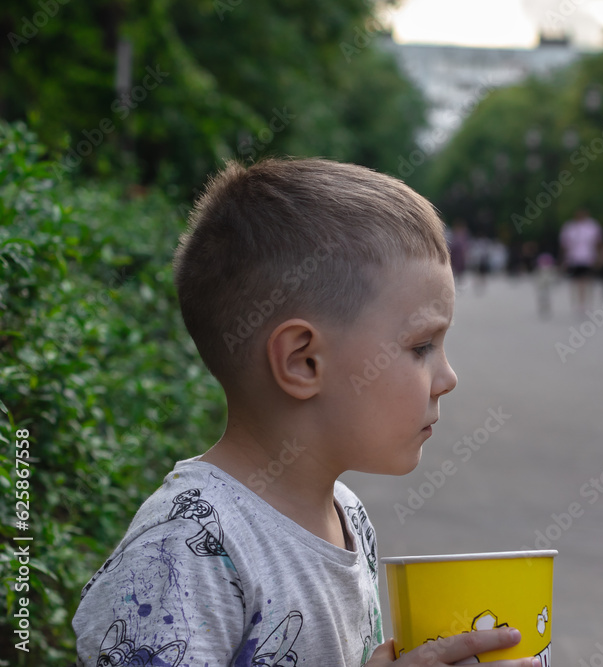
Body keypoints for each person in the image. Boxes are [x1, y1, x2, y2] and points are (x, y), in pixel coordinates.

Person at [72, 159, 541, 667]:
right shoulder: (186, 551)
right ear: (303, 361)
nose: (449, 378)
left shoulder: (348, 515)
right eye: (422, 346)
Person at [559, 207, 603, 317]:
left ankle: (588, 303)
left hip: (588, 257)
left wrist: (599, 257)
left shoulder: (593, 226)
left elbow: (598, 243)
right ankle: (578, 304)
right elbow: (564, 244)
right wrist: (564, 259)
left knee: (587, 281)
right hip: (574, 258)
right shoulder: (570, 226)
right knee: (576, 281)